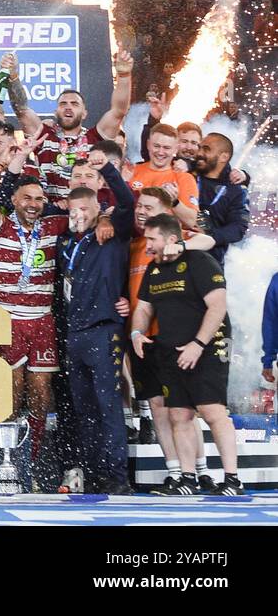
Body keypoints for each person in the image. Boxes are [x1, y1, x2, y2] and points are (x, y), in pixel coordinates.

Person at [130, 214, 243, 495]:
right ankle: (187, 479)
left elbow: (217, 306)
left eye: (152, 239)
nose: (148, 246)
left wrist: (198, 344)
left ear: (171, 239)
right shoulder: (153, 269)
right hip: (171, 348)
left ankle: (232, 479)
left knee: (213, 411)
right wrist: (136, 333)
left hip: (208, 346)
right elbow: (143, 308)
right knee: (179, 414)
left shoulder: (199, 261)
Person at [127, 186, 217, 492]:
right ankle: (175, 472)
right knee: (158, 406)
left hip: (177, 336)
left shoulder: (170, 238)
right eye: (140, 206)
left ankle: (200, 471)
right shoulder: (135, 239)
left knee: (183, 408)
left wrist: (182, 248)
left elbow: (209, 237)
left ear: (164, 214)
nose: (141, 211)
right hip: (145, 338)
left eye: (148, 207)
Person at [0, 173, 68, 459]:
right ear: (14, 200)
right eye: (27, 198)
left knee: (41, 393)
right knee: (11, 393)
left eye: (39, 199)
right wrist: (0, 168)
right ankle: (8, 457)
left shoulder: (53, 226)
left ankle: (34, 457)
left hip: (41, 320)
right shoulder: (0, 226)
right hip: (8, 321)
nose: (33, 204)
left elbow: (87, 216)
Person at [58, 164, 135, 496]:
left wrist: (106, 169)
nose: (79, 215)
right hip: (74, 336)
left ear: (98, 209)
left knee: (108, 406)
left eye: (86, 209)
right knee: (84, 411)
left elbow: (129, 204)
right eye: (74, 210)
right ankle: (92, 473)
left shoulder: (110, 232)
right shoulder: (64, 243)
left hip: (104, 332)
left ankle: (117, 476)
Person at [1, 49, 134, 205]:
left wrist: (124, 76)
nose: (68, 107)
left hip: (89, 213)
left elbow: (119, 111)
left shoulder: (96, 138)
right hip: (50, 213)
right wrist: (13, 77)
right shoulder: (43, 135)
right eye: (63, 104)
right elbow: (21, 109)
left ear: (84, 113)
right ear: (56, 111)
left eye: (74, 104)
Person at [193, 132, 250, 263]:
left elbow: (238, 228)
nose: (199, 153)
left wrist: (210, 236)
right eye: (199, 147)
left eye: (206, 149)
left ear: (224, 157)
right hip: (176, 257)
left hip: (210, 262)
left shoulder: (236, 190)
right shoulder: (187, 175)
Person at [129, 123, 200, 226]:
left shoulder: (184, 178)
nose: (161, 152)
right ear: (148, 144)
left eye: (166, 148)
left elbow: (192, 221)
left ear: (176, 149)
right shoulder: (132, 171)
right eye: (156, 146)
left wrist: (174, 202)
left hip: (166, 239)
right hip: (131, 239)